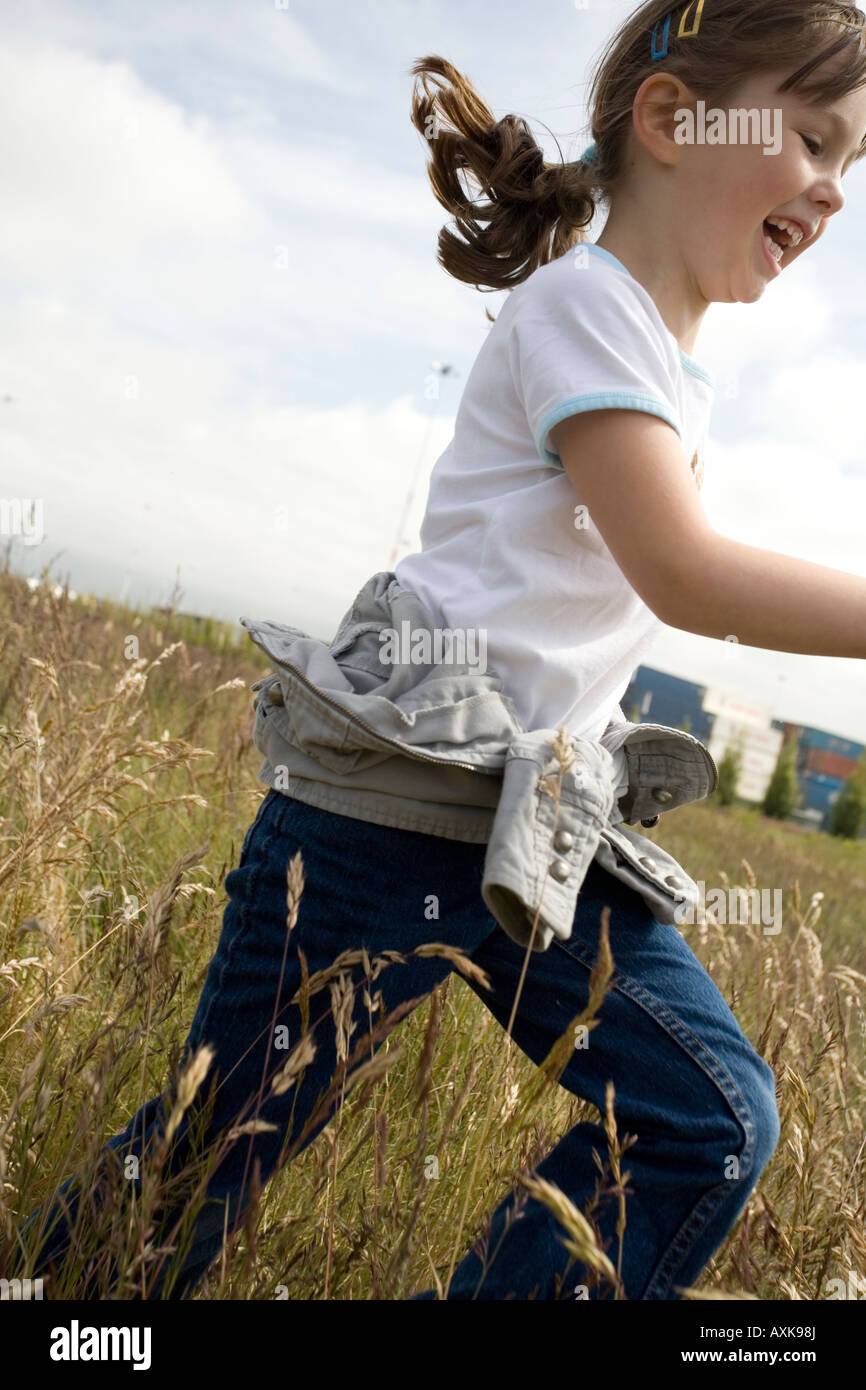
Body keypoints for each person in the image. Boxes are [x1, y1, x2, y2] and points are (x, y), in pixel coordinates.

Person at [17, 0, 866, 1300]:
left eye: (851, 167)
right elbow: (682, 570)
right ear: (671, 119)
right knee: (205, 1165)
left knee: (707, 1121)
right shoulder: (587, 308)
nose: (833, 190)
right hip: (375, 817)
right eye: (812, 139)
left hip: (526, 827)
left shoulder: (667, 361)